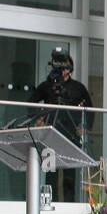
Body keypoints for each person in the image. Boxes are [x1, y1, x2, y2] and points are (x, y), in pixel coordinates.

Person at [29, 46, 94, 201]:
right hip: (50, 135)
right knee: (51, 173)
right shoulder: (46, 86)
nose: (62, 70)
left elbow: (91, 108)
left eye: (64, 66)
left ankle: (69, 203)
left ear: (69, 68)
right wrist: (38, 119)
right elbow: (31, 103)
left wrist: (85, 128)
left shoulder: (78, 87)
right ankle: (49, 202)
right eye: (58, 65)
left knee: (69, 174)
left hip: (70, 136)